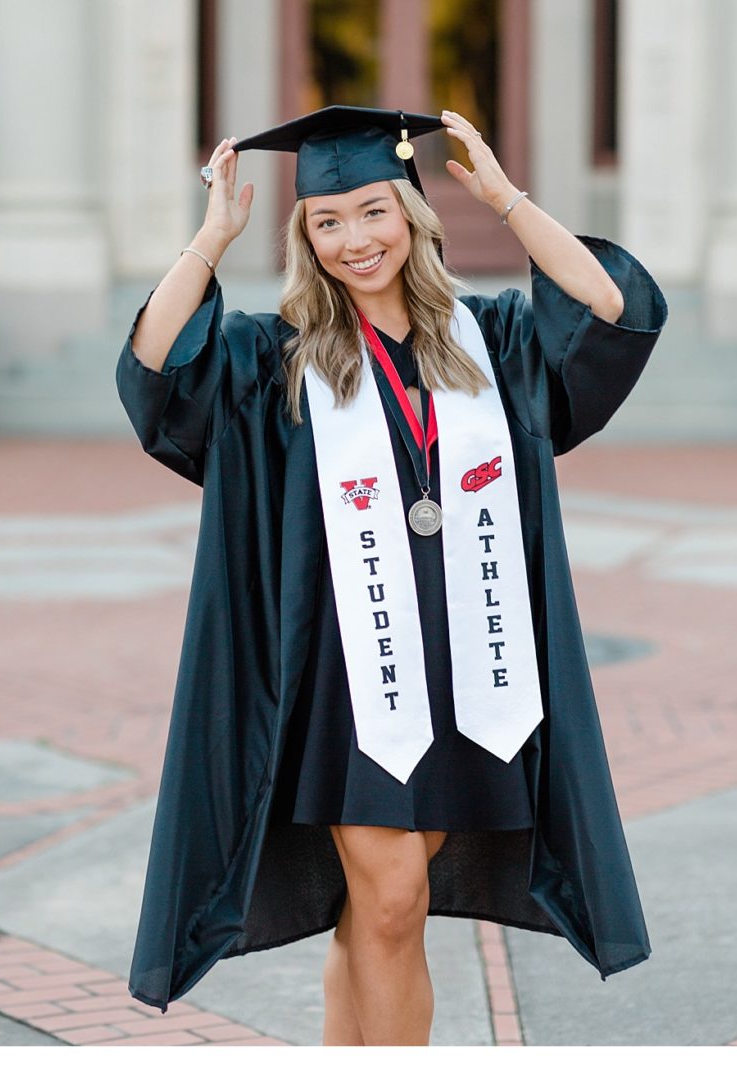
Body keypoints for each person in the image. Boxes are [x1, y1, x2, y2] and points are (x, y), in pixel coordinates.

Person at [119, 105, 666, 1042]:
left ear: (411, 213)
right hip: (347, 675)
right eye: (327, 221)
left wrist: (505, 197)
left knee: (377, 912)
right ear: (306, 237)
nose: (354, 239)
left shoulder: (493, 340)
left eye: (373, 211)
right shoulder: (278, 357)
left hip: (471, 659)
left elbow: (612, 310)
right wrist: (211, 239)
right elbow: (156, 367)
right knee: (392, 893)